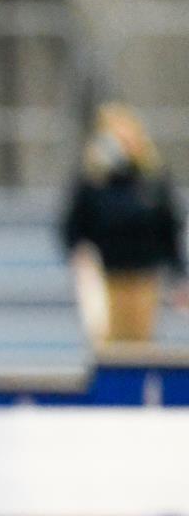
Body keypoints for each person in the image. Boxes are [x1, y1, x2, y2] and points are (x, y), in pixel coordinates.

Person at [61, 103, 186, 345]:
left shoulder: (152, 179)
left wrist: (177, 271)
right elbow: (75, 225)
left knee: (141, 341)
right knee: (108, 340)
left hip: (144, 273)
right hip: (106, 272)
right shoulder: (93, 181)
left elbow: (169, 226)